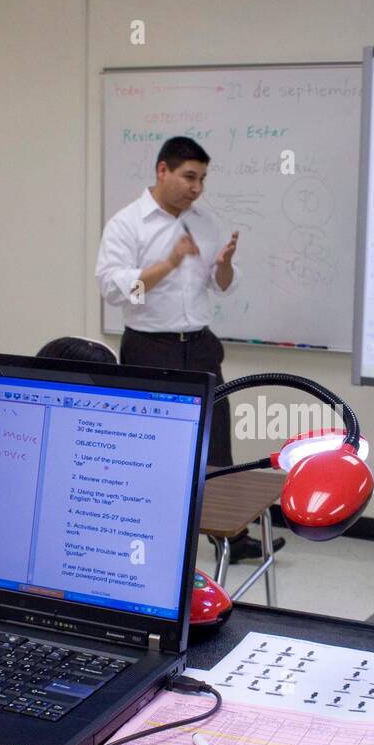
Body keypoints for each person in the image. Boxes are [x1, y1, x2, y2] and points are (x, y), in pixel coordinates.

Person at [95, 136, 281, 562]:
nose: (196, 187)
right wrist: (170, 262)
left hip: (199, 344)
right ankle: (143, 533)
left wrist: (225, 264)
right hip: (149, 346)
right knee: (151, 444)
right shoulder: (128, 224)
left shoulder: (203, 221)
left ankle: (230, 539)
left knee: (215, 443)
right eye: (188, 176)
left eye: (202, 179)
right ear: (163, 171)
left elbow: (220, 286)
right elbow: (115, 290)